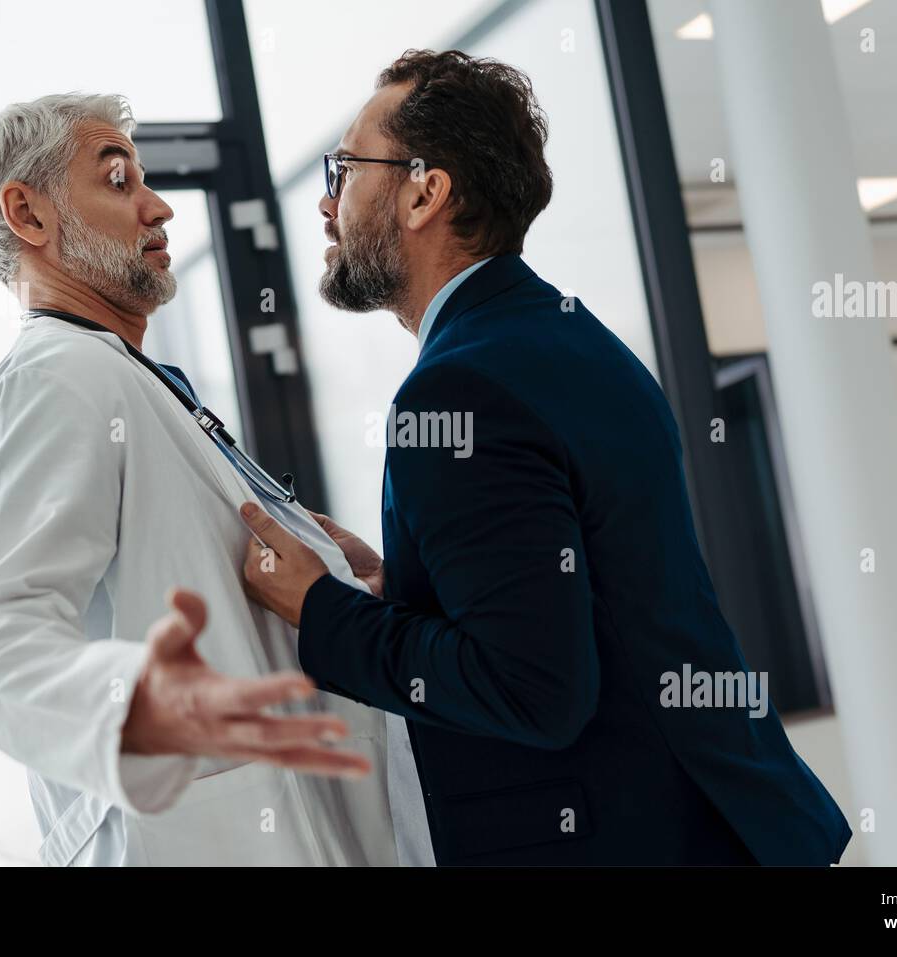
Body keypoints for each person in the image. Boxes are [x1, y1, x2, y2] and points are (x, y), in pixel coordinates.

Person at [240, 50, 854, 866]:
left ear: (426, 191)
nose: (327, 201)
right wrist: (401, 587)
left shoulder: (457, 389)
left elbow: (533, 690)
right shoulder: (567, 338)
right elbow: (580, 597)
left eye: (347, 168)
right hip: (729, 826)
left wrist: (324, 610)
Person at [0, 93, 409, 866]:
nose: (158, 208)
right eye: (119, 180)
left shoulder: (127, 376)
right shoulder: (58, 378)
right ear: (27, 215)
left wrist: (339, 577)